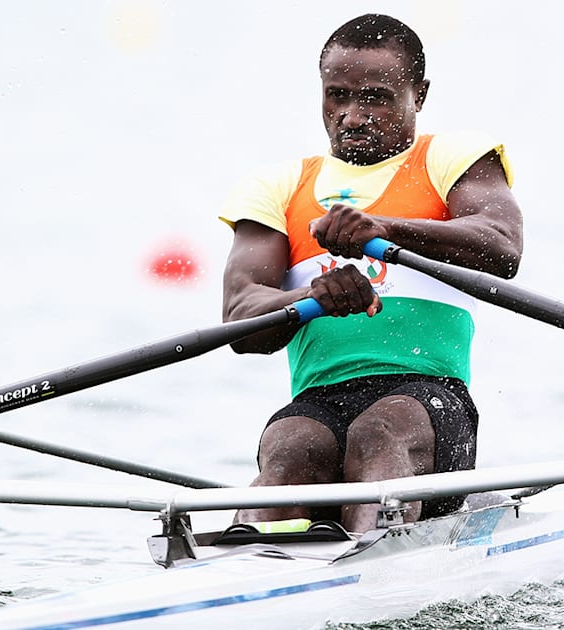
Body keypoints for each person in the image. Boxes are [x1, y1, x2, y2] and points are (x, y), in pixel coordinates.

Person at [219, 13, 523, 533]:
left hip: (430, 399)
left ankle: (377, 552)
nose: (352, 117)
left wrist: (382, 228)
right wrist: (313, 298)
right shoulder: (277, 186)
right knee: (289, 450)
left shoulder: (450, 158)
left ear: (419, 95)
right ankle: (251, 558)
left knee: (377, 433)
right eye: (336, 96)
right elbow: (242, 322)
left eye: (375, 99)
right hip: (319, 400)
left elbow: (502, 246)